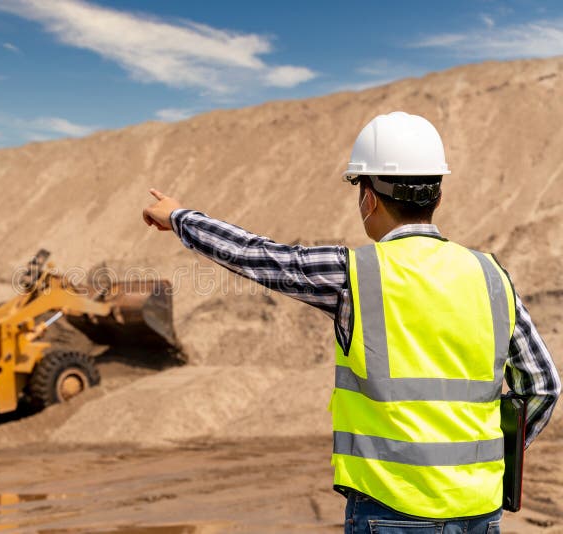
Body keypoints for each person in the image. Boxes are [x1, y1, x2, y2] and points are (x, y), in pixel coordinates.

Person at [142, 111, 560, 533]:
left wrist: (180, 217)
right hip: (479, 514)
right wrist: (485, 459)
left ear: (369, 198)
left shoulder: (354, 274)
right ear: (438, 195)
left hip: (390, 513)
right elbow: (543, 384)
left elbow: (258, 256)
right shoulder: (491, 276)